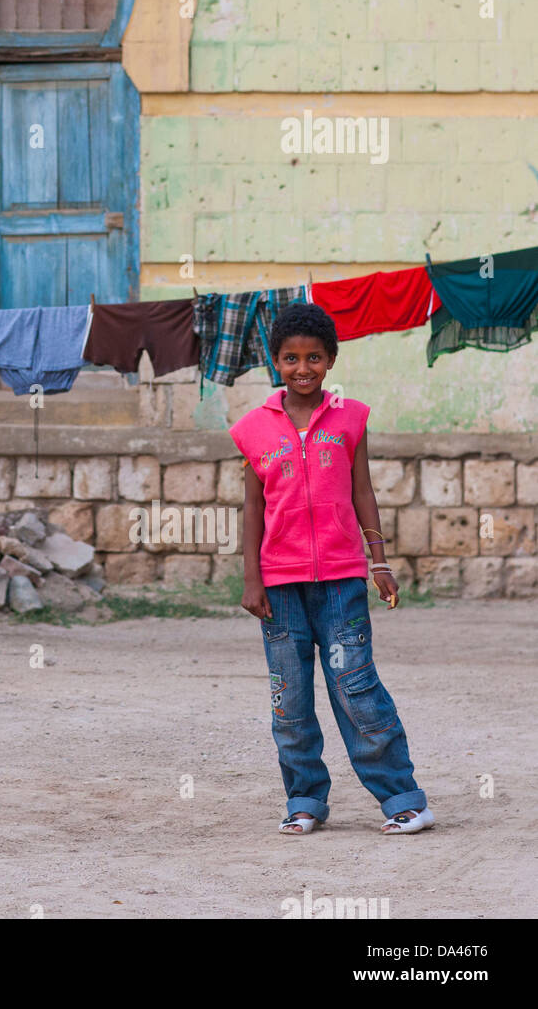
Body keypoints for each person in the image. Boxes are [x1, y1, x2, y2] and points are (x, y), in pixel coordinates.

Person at [230, 302, 434, 836]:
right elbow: (253, 508)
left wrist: (379, 561)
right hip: (279, 586)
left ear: (331, 360)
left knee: (356, 688)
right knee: (289, 699)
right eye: (291, 358)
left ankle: (403, 800)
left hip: (342, 580)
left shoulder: (351, 418)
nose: (303, 368)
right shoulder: (252, 430)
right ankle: (304, 802)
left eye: (314, 357)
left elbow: (361, 490)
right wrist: (251, 577)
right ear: (275, 362)